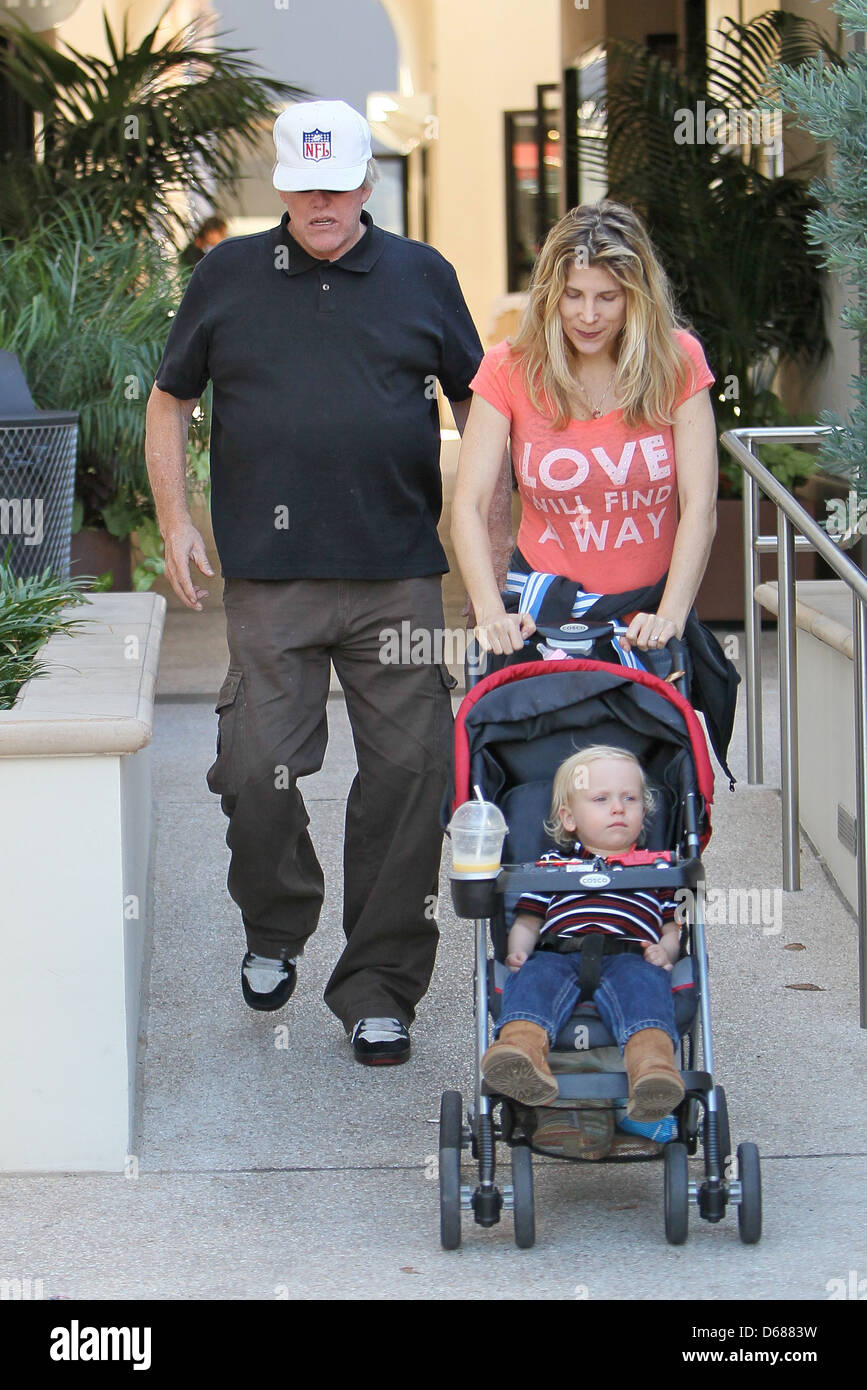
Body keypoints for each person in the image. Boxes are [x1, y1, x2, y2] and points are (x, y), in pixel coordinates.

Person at [145, 99, 502, 1066]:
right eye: (303, 187)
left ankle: (379, 985)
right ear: (281, 187)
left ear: (365, 182)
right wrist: (176, 521)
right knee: (253, 772)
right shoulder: (227, 274)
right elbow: (170, 398)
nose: (321, 203)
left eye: (336, 184)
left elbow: (482, 412)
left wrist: (490, 567)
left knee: (412, 772)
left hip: (398, 577)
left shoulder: (422, 276)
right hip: (271, 581)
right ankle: (277, 919)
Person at [451, 198, 725, 687]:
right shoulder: (508, 367)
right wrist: (492, 614)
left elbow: (699, 503)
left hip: (646, 616)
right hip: (539, 613)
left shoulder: (678, 360)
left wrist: (672, 613)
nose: (589, 315)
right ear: (551, 293)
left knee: (648, 758)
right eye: (573, 295)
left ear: (636, 297)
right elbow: (468, 505)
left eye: (608, 297)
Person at [481, 746, 684, 1160]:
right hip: (558, 953)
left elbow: (671, 924)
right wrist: (517, 952)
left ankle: (653, 1073)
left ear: (645, 812)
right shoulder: (553, 867)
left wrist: (666, 950)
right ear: (570, 819)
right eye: (601, 799)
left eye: (630, 799)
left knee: (645, 990)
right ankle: (522, 1055)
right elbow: (528, 921)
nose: (618, 808)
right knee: (533, 980)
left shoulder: (657, 868)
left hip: (632, 954)